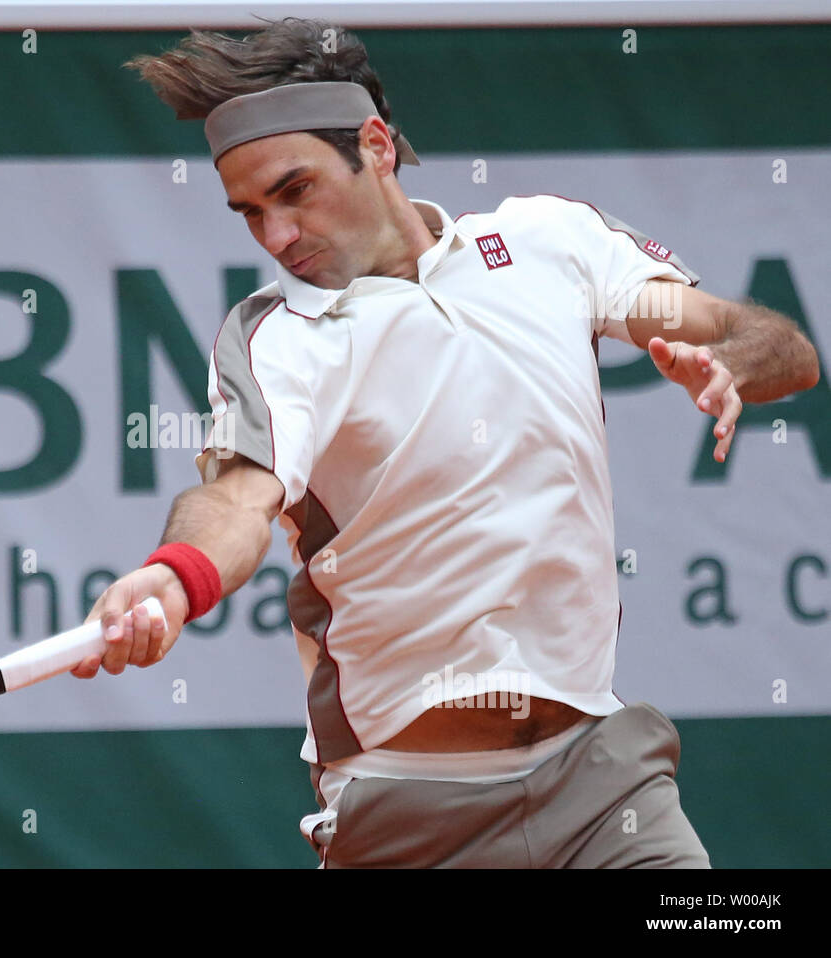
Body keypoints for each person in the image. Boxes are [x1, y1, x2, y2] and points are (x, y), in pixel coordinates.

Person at [72, 18, 821, 868]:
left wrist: (728, 360)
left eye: (295, 191)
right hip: (411, 809)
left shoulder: (548, 245)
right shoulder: (282, 340)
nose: (277, 236)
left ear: (377, 147)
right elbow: (240, 499)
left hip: (604, 785)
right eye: (251, 213)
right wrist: (176, 578)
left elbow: (776, 344)